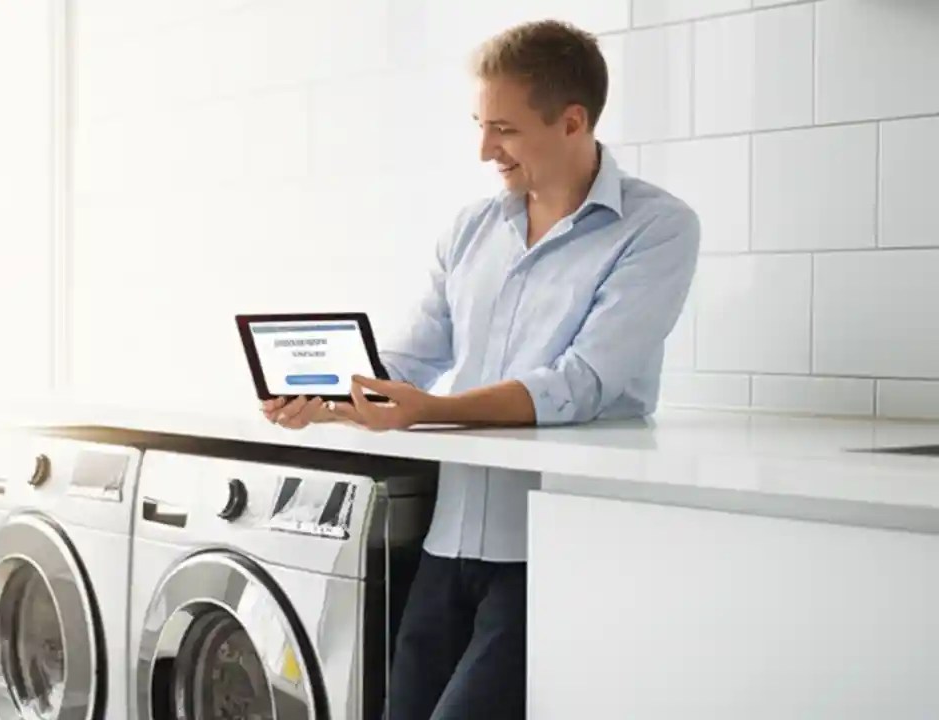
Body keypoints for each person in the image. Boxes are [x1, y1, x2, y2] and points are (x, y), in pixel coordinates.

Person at [260, 19, 699, 720]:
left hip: (552, 552)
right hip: (449, 540)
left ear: (572, 120)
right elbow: (412, 355)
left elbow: (581, 383)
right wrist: (330, 396)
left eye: (504, 128)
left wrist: (424, 409)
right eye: (479, 124)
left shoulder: (656, 228)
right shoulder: (471, 228)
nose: (484, 148)